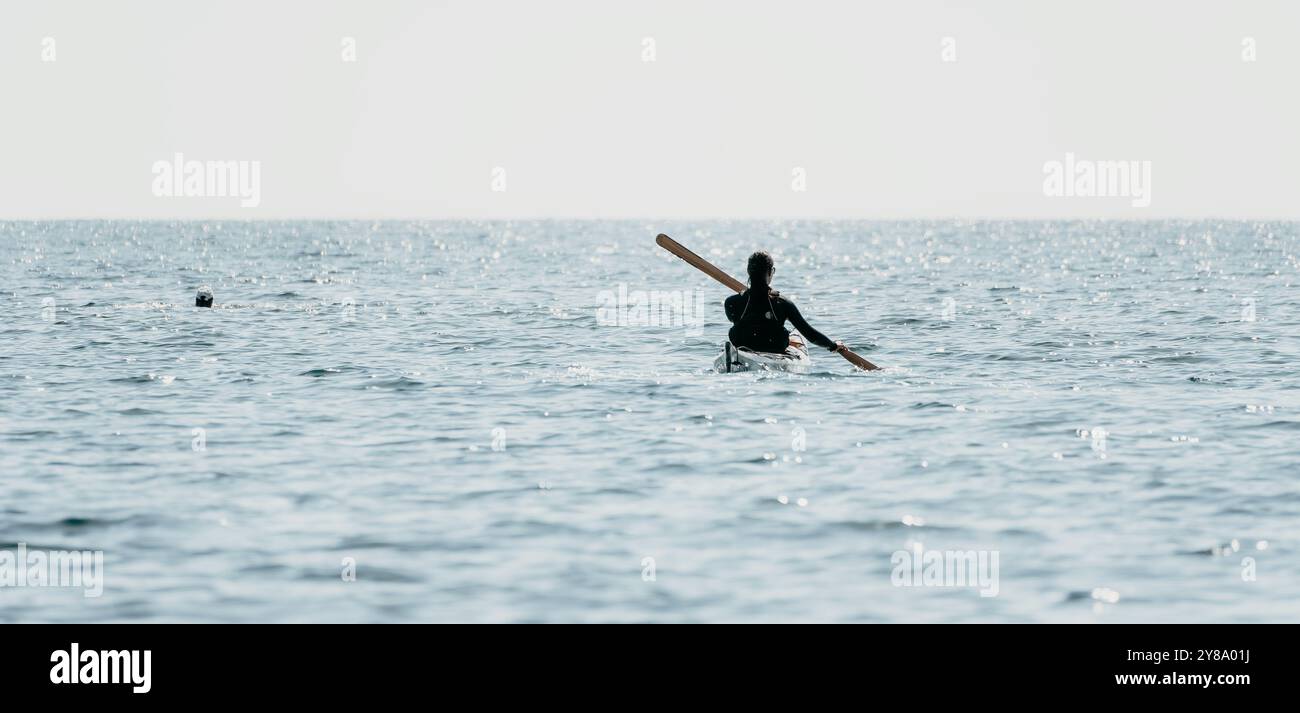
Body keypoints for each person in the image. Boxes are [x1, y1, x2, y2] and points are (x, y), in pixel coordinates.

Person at [724, 251, 845, 354]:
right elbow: (810, 334)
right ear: (771, 272)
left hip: (744, 350)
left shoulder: (731, 302)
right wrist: (833, 346)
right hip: (774, 350)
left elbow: (748, 322)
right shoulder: (783, 303)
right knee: (793, 334)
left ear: (748, 271)